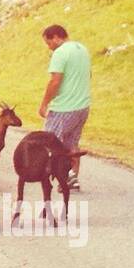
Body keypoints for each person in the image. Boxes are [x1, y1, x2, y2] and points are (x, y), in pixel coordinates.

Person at [38, 24, 90, 189]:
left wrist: (44, 104)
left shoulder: (60, 53)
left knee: (50, 142)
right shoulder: (82, 49)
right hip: (82, 106)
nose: (49, 47)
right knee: (72, 143)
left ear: (55, 37)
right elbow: (88, 75)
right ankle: (72, 178)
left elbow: (55, 80)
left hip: (64, 108)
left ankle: (53, 175)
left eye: (49, 43)